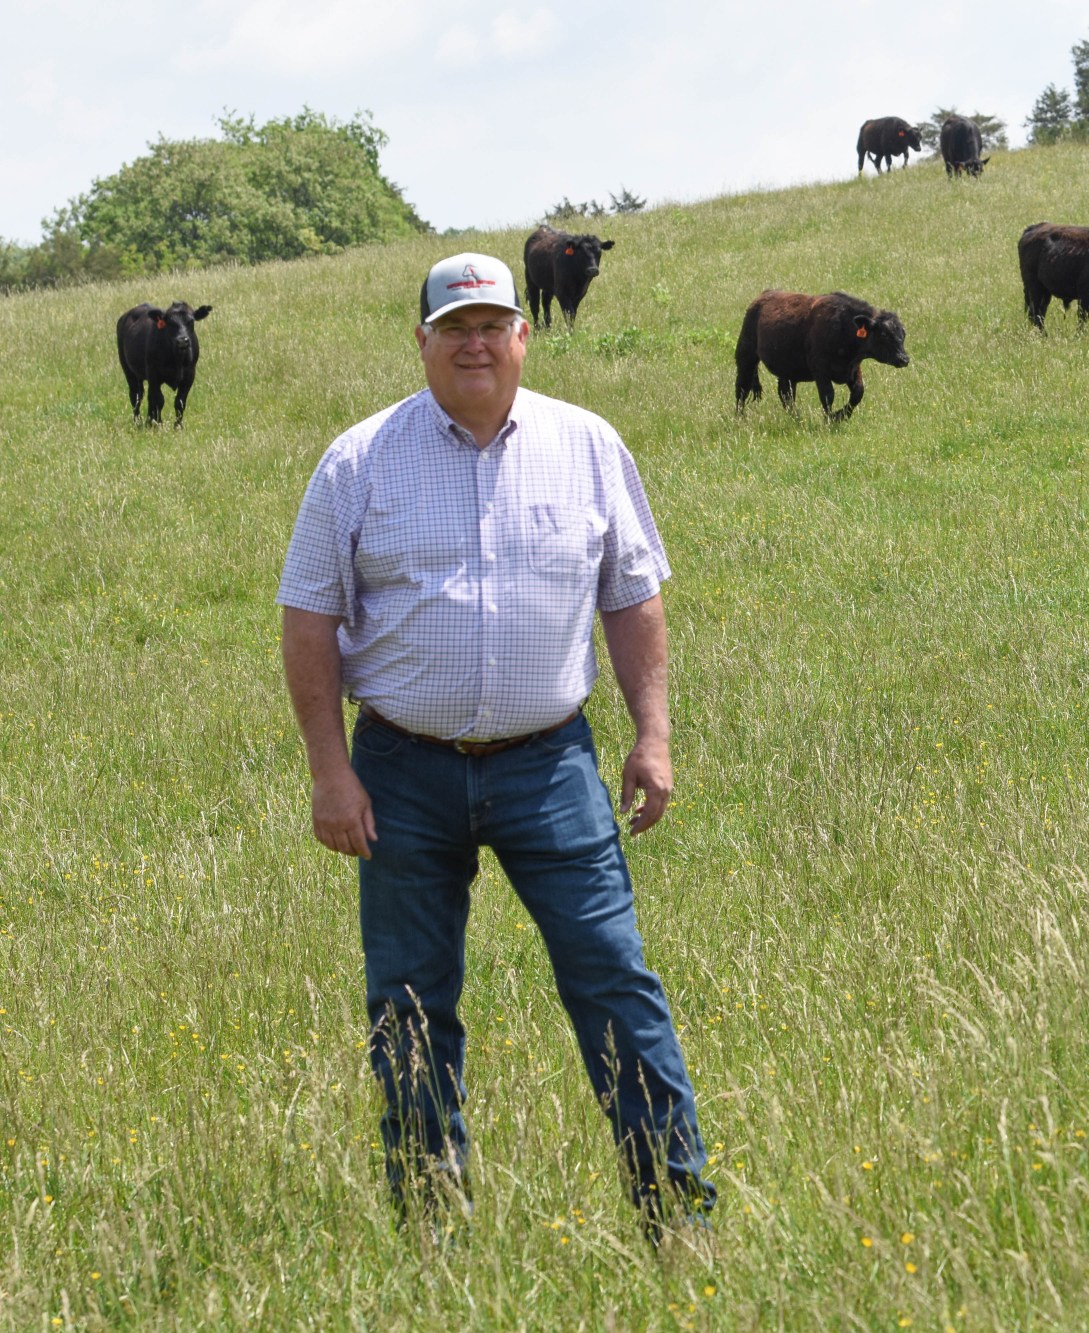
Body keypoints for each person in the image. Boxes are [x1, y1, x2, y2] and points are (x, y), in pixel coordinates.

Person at [277, 251, 711, 1235]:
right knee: (408, 1002)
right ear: (422, 341)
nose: (474, 342)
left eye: (492, 324)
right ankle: (430, 1217)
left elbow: (632, 599)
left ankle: (674, 1213)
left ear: (523, 335)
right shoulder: (358, 459)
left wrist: (653, 737)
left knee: (612, 979)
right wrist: (327, 770)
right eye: (454, 326)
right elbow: (308, 622)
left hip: (549, 763)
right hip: (399, 768)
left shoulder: (588, 444)